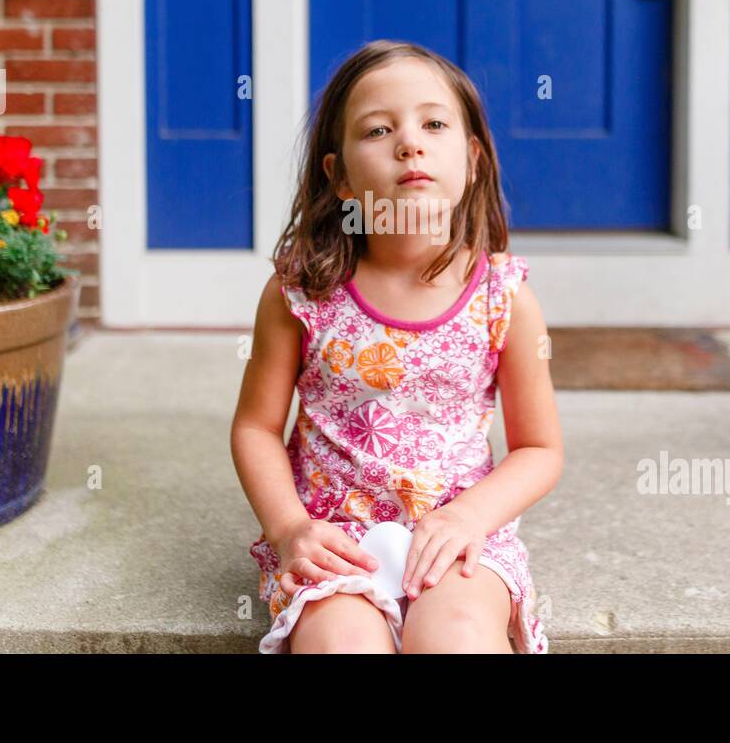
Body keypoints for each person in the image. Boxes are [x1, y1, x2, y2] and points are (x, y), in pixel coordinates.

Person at [230, 39, 563, 653]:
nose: (409, 142)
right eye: (378, 130)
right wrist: (289, 530)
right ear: (339, 178)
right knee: (340, 645)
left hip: (460, 535)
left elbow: (540, 449)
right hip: (334, 538)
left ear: (473, 161)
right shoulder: (300, 294)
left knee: (459, 637)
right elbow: (255, 428)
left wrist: (470, 516)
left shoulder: (504, 299)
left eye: (433, 124)